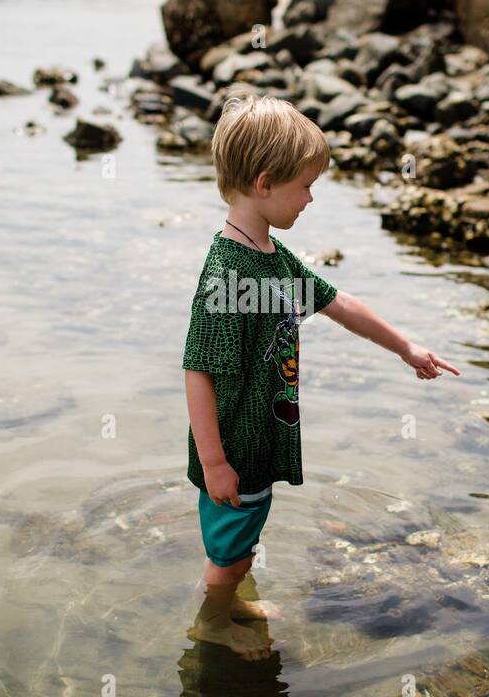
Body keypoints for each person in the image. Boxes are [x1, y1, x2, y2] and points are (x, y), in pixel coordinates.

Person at [182, 94, 459, 660]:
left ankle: (231, 603)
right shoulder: (228, 271)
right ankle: (211, 622)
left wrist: (405, 346)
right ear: (263, 182)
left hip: (258, 439)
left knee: (245, 536)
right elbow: (198, 369)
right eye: (305, 185)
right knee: (230, 549)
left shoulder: (270, 255)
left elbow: (337, 301)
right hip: (235, 442)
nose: (311, 198)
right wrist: (214, 462)